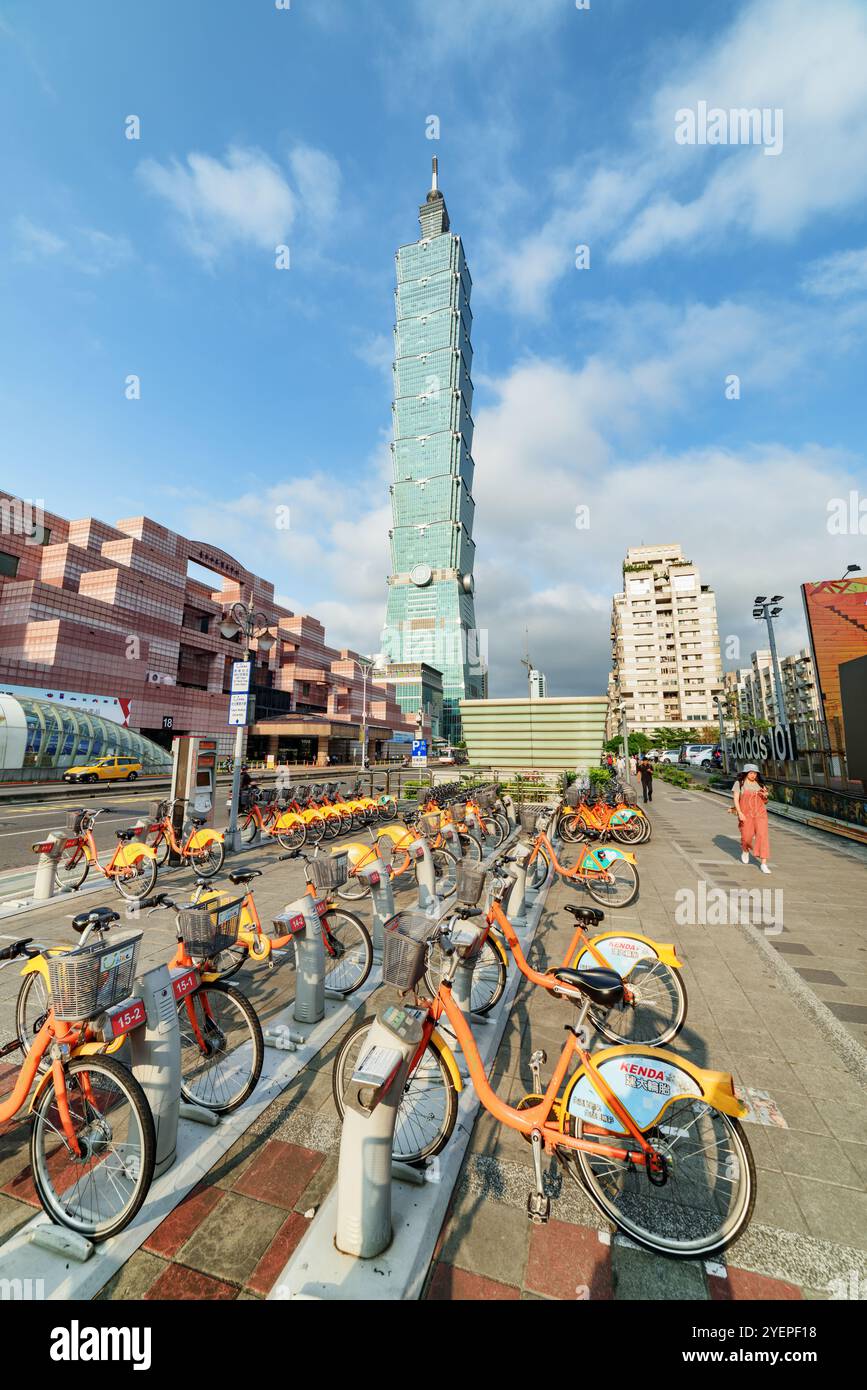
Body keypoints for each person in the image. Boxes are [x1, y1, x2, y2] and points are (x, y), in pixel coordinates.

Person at [732, 764, 771, 873]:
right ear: (746, 773)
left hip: (760, 814)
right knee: (746, 837)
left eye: (755, 773)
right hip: (746, 814)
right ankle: (745, 849)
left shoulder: (760, 784)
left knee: (763, 836)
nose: (753, 775)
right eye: (751, 773)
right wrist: (739, 813)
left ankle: (764, 864)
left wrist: (765, 795)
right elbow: (736, 799)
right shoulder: (739, 784)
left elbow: (765, 801)